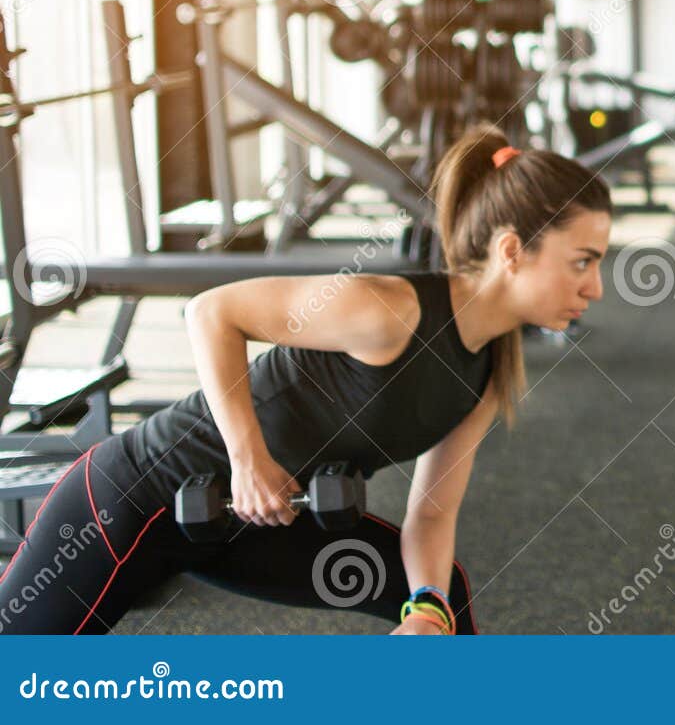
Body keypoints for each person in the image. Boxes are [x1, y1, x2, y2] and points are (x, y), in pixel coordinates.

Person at [0, 126, 610, 635]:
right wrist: (247, 459)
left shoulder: (486, 370)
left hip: (240, 527)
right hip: (134, 496)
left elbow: (431, 514)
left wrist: (425, 609)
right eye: (582, 261)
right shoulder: (388, 311)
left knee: (440, 593)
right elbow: (212, 313)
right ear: (512, 250)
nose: (595, 288)